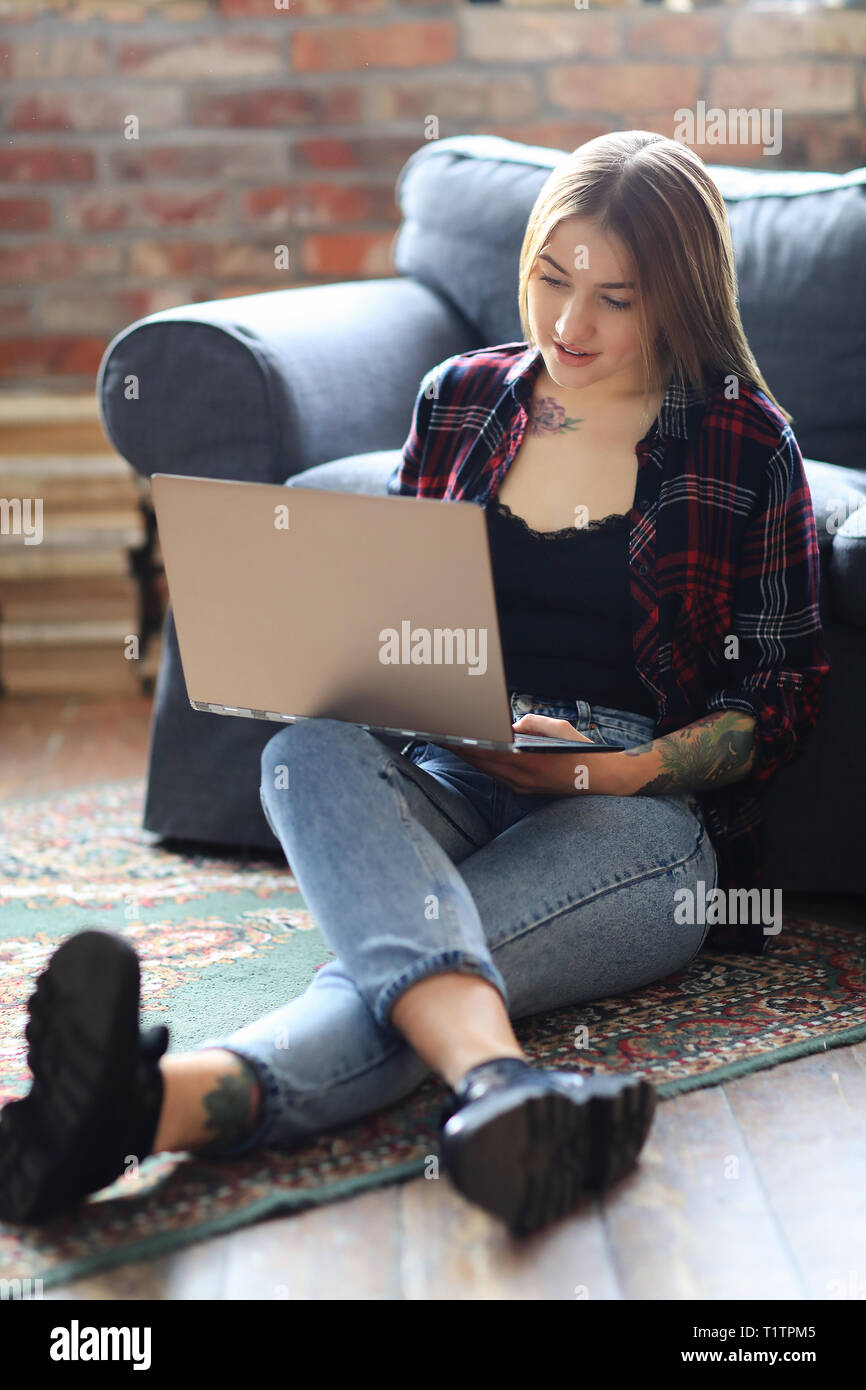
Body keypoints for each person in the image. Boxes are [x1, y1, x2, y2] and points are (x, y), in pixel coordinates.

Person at [0, 131, 829, 1237]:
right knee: (305, 747)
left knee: (401, 967)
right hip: (444, 759)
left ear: (675, 299)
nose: (569, 326)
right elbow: (393, 613)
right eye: (550, 279)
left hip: (631, 815)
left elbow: (775, 698)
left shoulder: (744, 442)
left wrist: (627, 764)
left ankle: (136, 1108)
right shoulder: (461, 400)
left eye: (614, 299)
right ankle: (500, 1087)